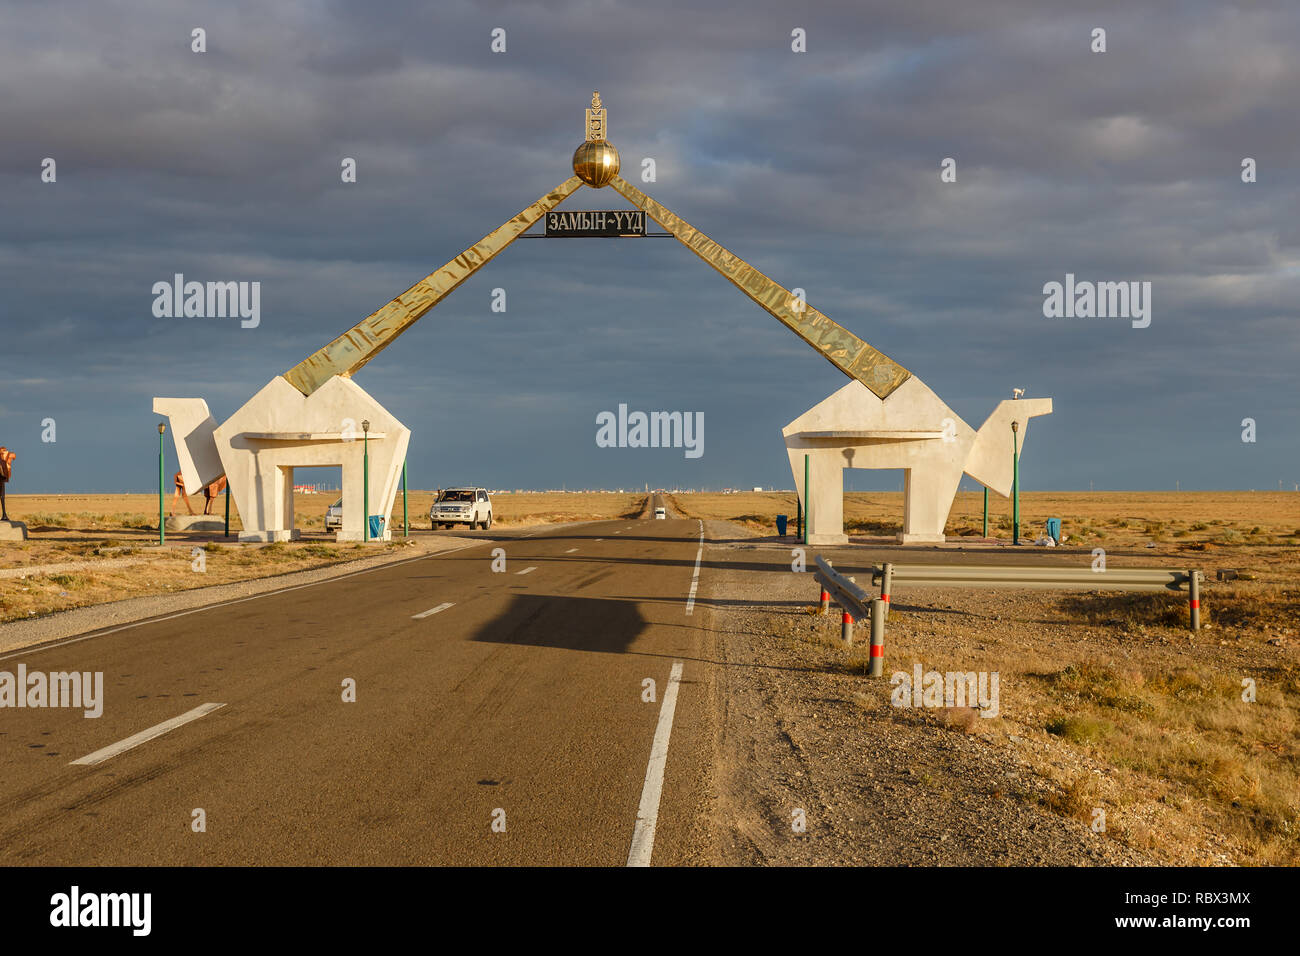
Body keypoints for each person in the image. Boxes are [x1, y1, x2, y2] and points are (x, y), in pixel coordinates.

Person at [0, 446, 14, 521]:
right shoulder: (2, 462)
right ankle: (4, 515)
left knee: (2, 498)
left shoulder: (3, 461)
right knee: (2, 497)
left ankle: (4, 515)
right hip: (1, 481)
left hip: (2, 481)